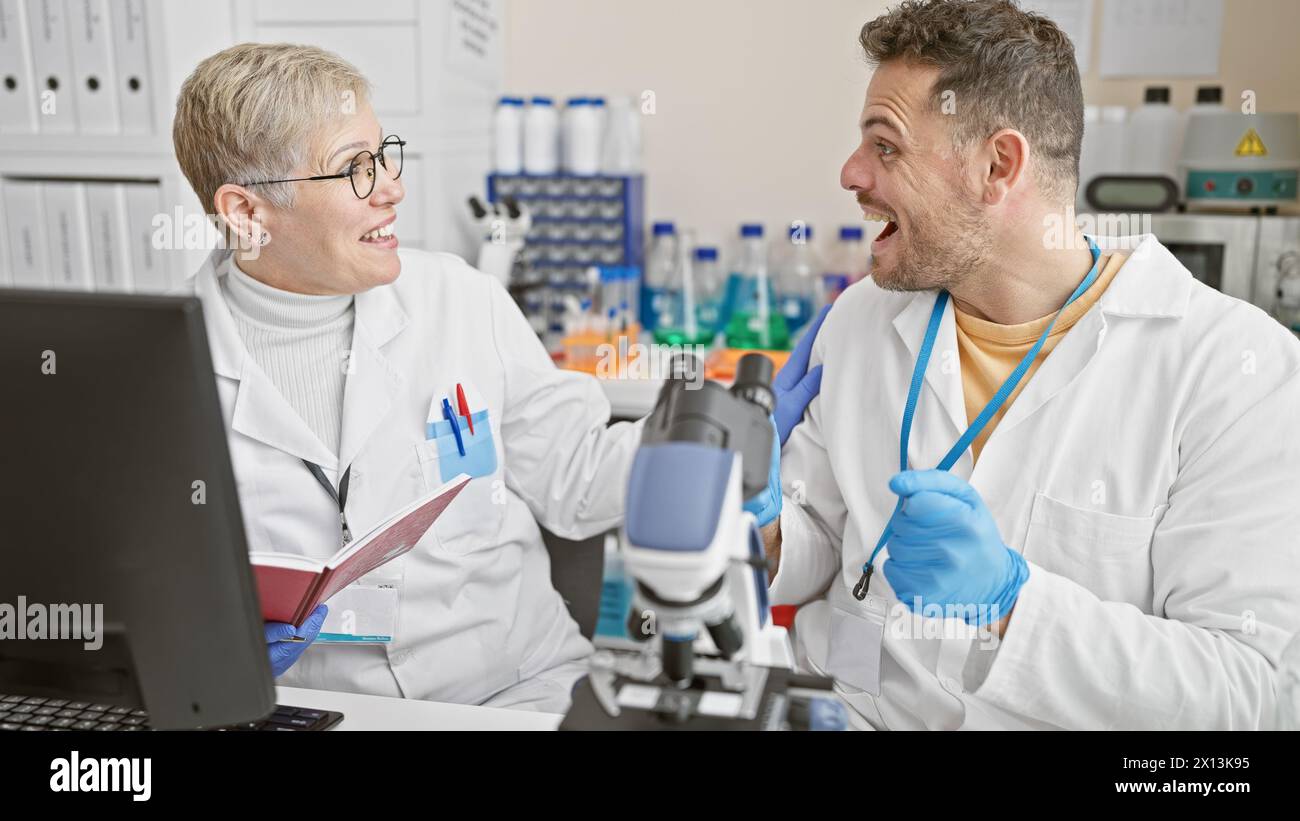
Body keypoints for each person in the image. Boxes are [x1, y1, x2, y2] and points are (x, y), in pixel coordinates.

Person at [172, 43, 821, 713]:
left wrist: (714, 438)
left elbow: (577, 473)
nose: (392, 185)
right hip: (314, 708)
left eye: (384, 154)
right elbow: (142, 600)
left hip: (516, 691)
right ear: (247, 213)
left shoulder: (459, 299)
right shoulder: (164, 377)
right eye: (355, 170)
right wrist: (217, 640)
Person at [764, 0, 1300, 729]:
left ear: (998, 165)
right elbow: (823, 540)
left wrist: (1011, 604)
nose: (851, 172)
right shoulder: (862, 318)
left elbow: (1246, 697)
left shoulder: (1234, 371)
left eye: (886, 146)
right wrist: (756, 524)